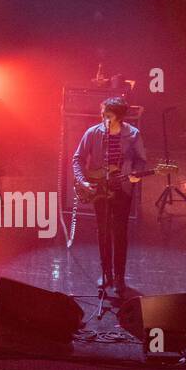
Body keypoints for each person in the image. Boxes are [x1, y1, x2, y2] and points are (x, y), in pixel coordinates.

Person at [72, 97, 148, 293]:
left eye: (108, 115)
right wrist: (83, 181)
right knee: (103, 232)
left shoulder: (133, 134)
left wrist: (136, 175)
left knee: (120, 234)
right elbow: (77, 159)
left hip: (122, 189)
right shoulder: (93, 133)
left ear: (119, 117)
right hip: (99, 189)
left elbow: (141, 160)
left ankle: (119, 277)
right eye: (103, 113)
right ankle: (105, 274)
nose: (104, 118)